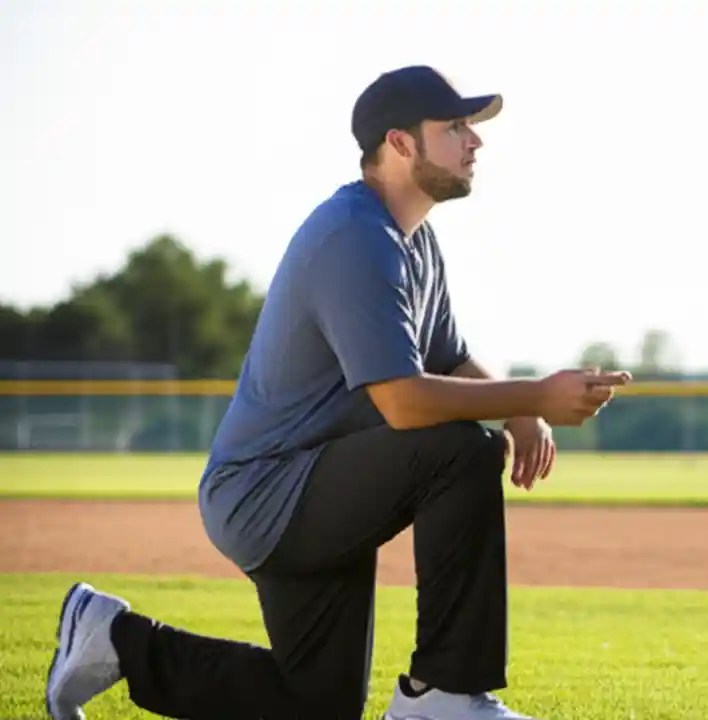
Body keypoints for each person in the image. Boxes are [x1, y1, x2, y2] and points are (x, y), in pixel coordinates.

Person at [44, 64, 631, 720]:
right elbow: (404, 403)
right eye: (456, 126)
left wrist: (523, 411)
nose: (476, 141)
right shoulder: (355, 235)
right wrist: (532, 398)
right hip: (268, 493)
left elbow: (449, 356)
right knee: (461, 451)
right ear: (400, 144)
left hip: (307, 486)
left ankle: (114, 641)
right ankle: (442, 693)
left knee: (314, 704)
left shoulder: (413, 241)